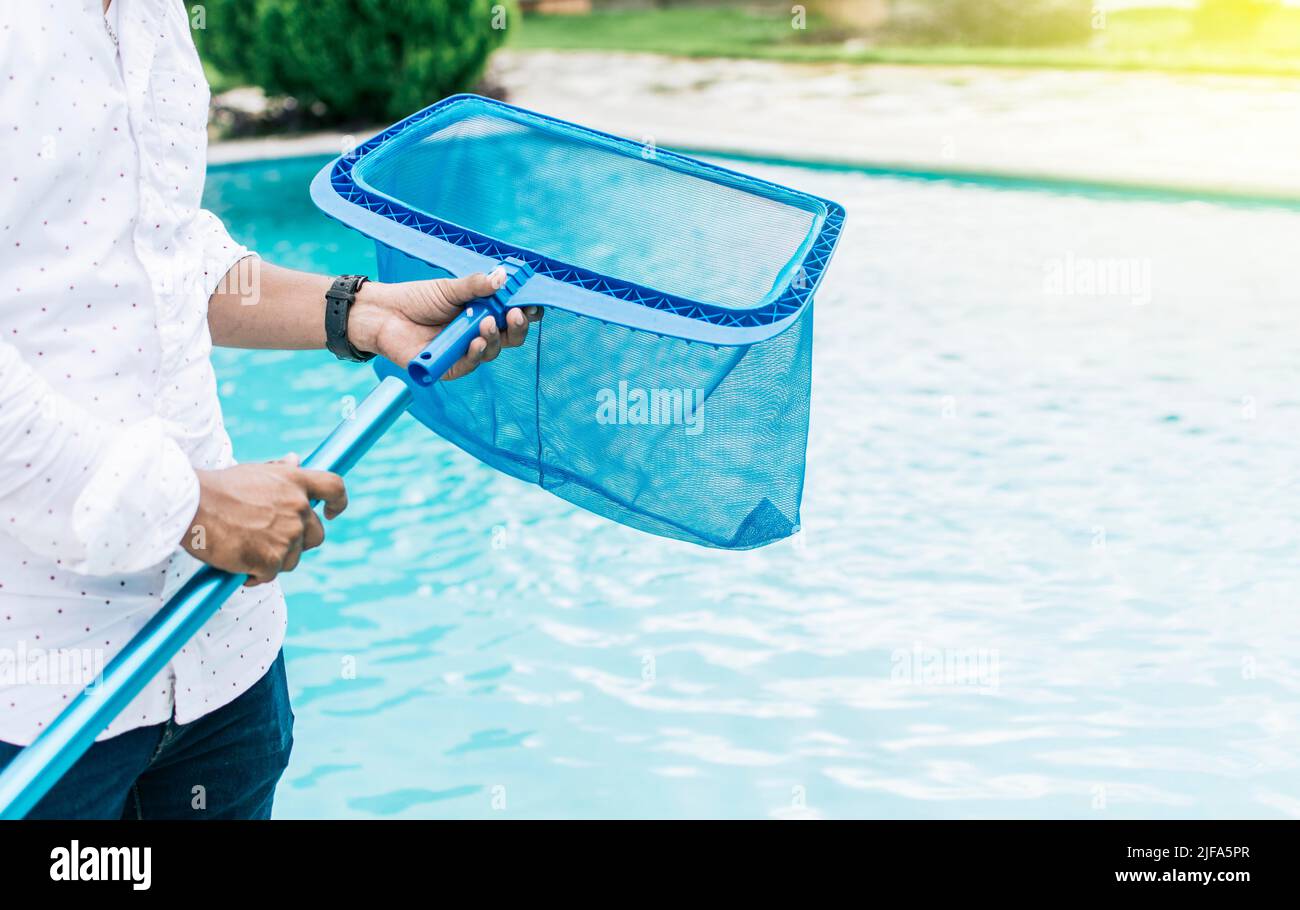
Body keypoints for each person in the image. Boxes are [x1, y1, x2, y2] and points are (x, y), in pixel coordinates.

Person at [0, 1, 537, 818]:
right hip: (38, 710)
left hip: (222, 661)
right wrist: (186, 504)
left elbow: (157, 250)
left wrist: (361, 311)